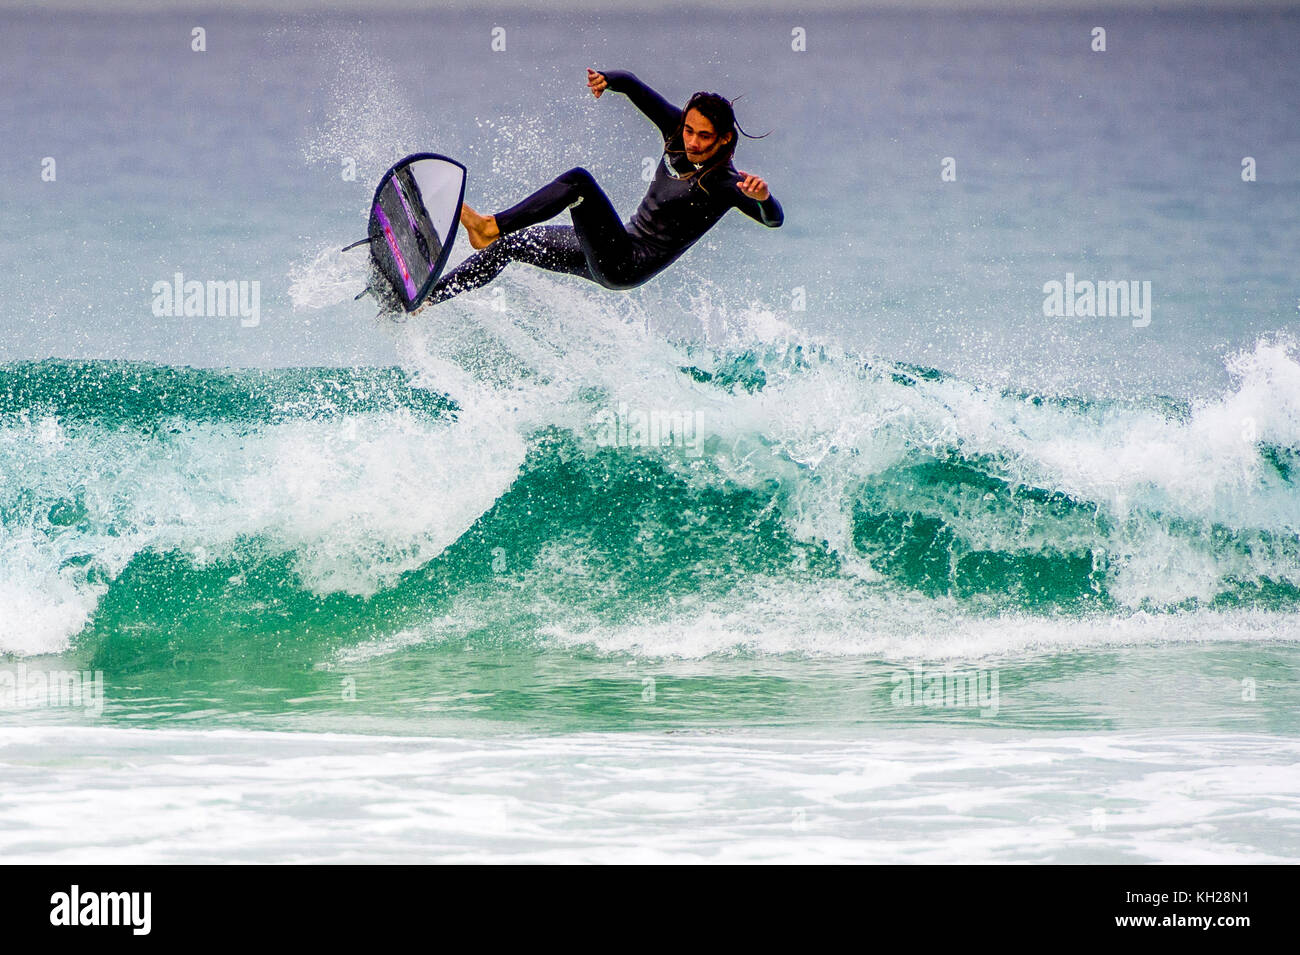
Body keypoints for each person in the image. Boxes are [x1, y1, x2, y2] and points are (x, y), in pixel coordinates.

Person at [421, 67, 784, 307]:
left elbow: (774, 220)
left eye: (704, 136)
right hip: (609, 246)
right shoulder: (677, 132)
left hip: (626, 264)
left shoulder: (725, 183)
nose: (692, 141)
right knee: (512, 246)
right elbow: (632, 85)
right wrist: (607, 80)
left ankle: (488, 226)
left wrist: (763, 199)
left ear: (723, 140)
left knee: (579, 182)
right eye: (690, 130)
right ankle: (426, 300)